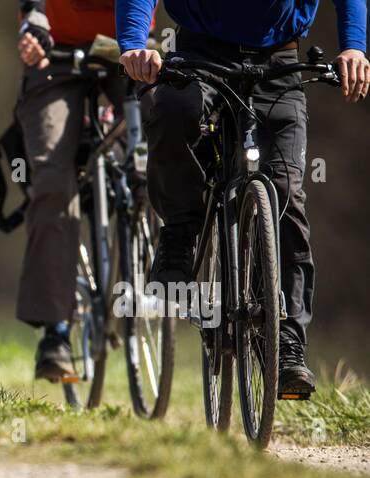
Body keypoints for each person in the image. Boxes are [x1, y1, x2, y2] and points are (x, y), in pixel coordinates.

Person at [118, 0, 369, 397]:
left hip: (281, 62)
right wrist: (134, 43)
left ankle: (286, 344)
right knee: (171, 111)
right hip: (200, 59)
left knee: (286, 194)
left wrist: (353, 45)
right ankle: (179, 237)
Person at [13, 1, 152, 383]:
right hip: (56, 54)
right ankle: (56, 331)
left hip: (132, 50)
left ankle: (171, 286)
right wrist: (34, 19)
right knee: (53, 180)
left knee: (165, 150)